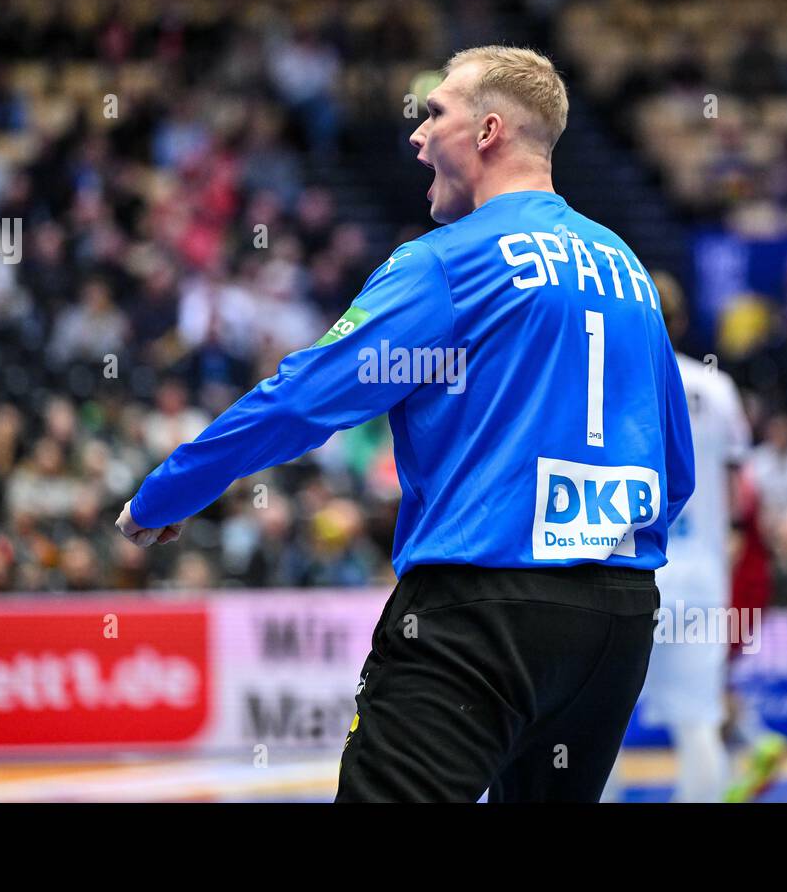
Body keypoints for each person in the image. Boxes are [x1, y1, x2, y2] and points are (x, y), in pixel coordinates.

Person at [116, 46, 695, 802]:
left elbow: (301, 400)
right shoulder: (627, 268)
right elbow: (673, 471)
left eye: (435, 114)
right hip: (616, 621)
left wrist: (169, 492)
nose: (417, 137)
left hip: (479, 614)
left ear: (489, 131)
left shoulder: (448, 262)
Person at [634, 273, 754, 802]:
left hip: (627, 572)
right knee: (699, 721)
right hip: (701, 575)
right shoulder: (719, 388)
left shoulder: (611, 381)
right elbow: (740, 492)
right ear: (681, 322)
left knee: (593, 725)